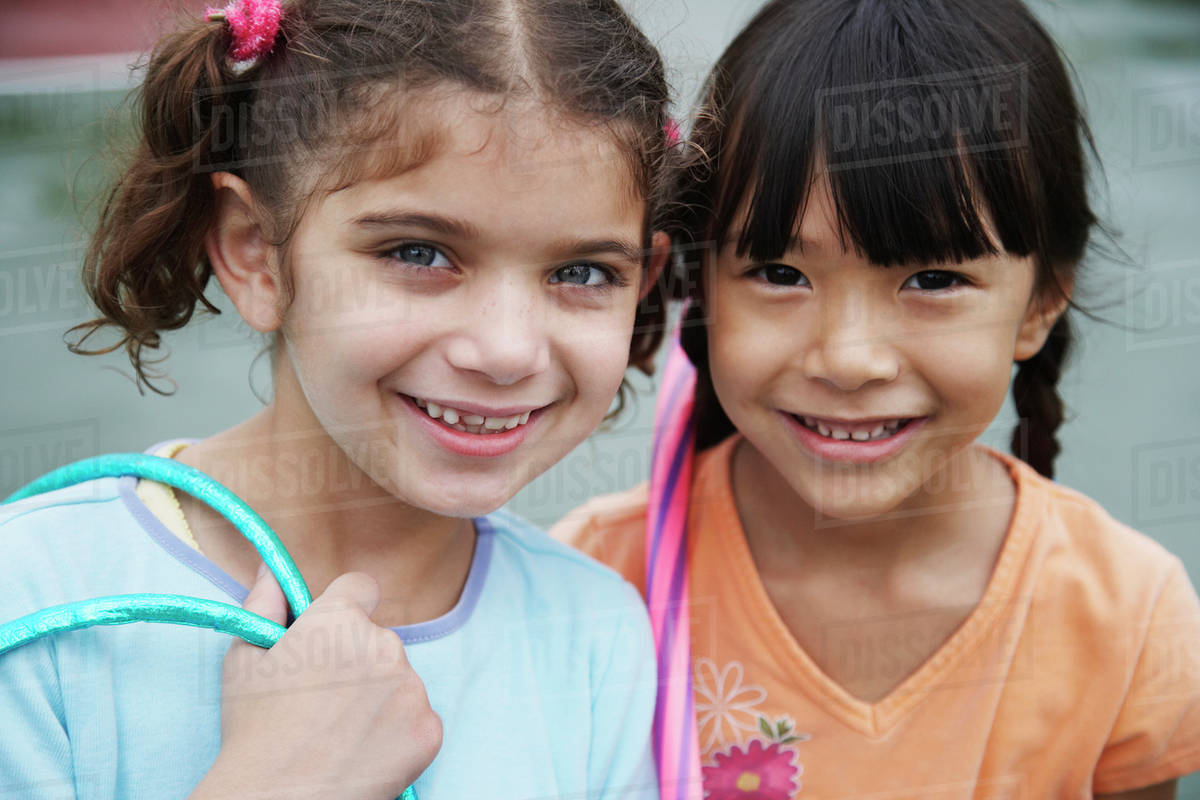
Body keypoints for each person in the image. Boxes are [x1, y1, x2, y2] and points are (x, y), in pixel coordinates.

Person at [0, 0, 676, 797]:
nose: (506, 350)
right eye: (418, 252)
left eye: (582, 273)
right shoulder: (37, 593)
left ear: (646, 281)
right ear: (257, 254)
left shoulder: (592, 633)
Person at [554, 0, 1200, 797]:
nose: (850, 360)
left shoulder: (1128, 616)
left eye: (934, 280)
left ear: (1040, 304)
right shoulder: (588, 584)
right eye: (781, 274)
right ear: (701, 281)